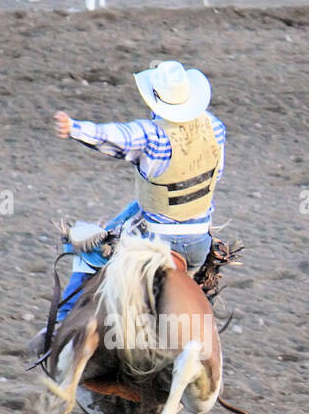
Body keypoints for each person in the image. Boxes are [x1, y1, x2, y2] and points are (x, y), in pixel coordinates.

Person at [42, 60, 227, 337]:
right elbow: (217, 174)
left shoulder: (152, 135)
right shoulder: (215, 127)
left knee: (88, 250)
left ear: (155, 99)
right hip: (200, 242)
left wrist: (74, 128)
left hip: (155, 240)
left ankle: (62, 326)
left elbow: (115, 137)